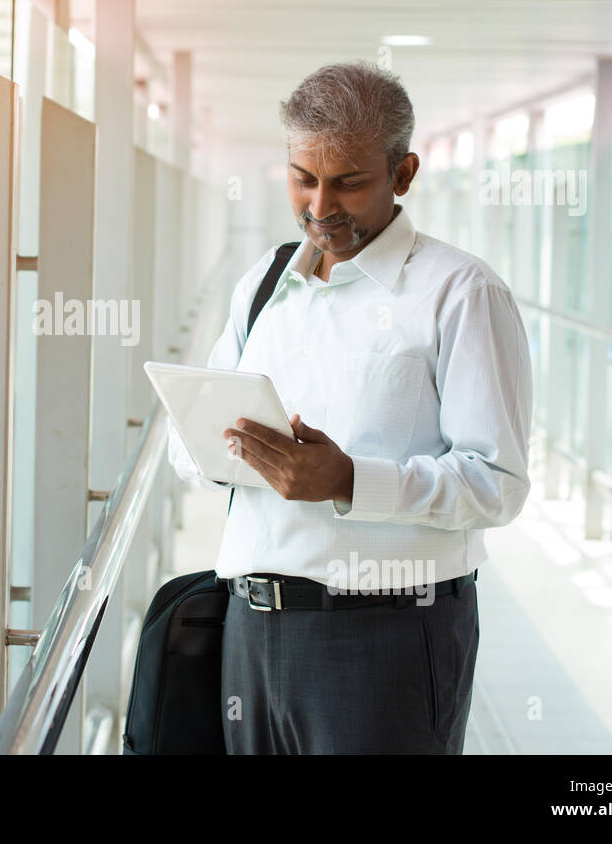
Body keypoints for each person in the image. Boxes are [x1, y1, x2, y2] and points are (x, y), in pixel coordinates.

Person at [168, 61, 533, 754]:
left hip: (386, 639)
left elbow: (498, 483)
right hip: (253, 627)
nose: (320, 205)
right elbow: (190, 443)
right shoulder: (267, 281)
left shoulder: (460, 293)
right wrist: (219, 448)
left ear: (404, 172)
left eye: (349, 182)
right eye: (303, 177)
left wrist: (346, 480)